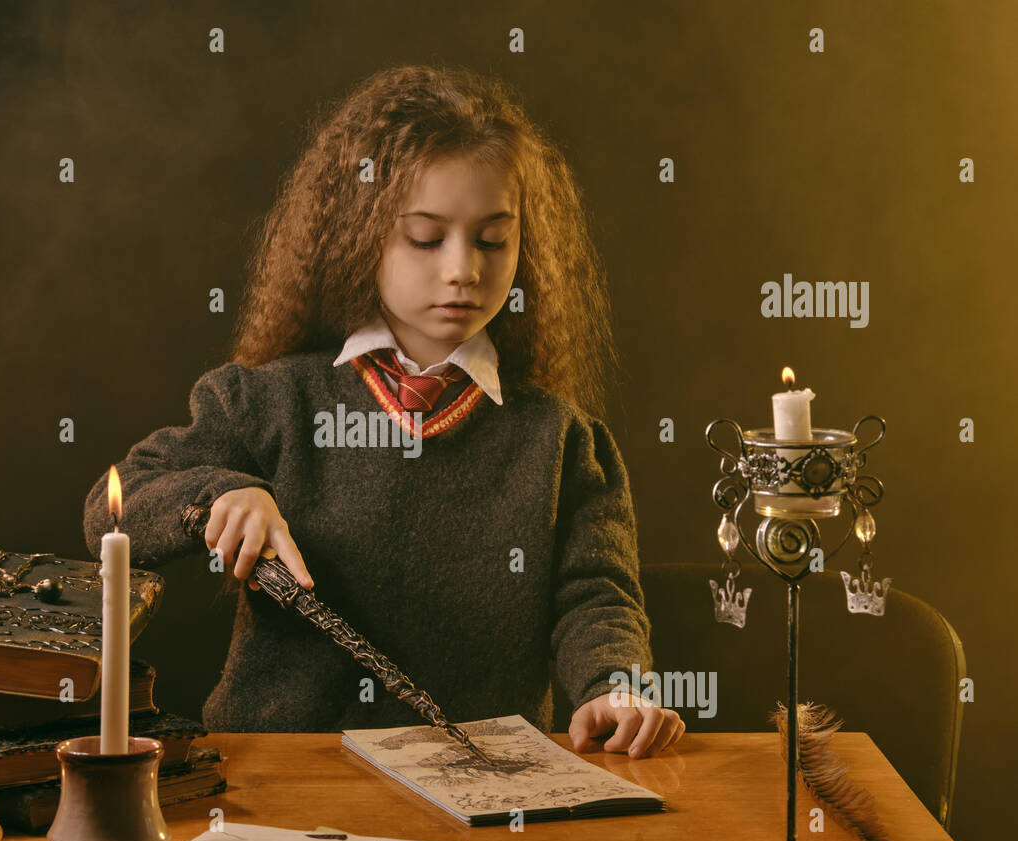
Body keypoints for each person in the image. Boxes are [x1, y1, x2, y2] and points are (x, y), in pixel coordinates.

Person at [83, 65, 683, 758]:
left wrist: (615, 688)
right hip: (279, 778)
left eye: (493, 240)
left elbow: (596, 596)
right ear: (358, 234)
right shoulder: (266, 401)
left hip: (485, 784)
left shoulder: (561, 439)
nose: (463, 269)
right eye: (426, 238)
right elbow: (109, 513)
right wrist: (221, 493)